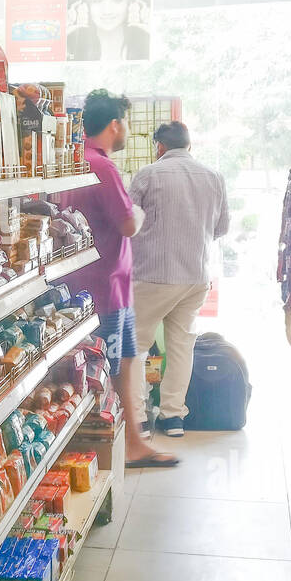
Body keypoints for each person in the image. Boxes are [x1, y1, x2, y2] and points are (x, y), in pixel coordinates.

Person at [61, 91, 178, 468]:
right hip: (105, 289)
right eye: (124, 122)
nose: (126, 128)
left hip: (93, 286)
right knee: (113, 370)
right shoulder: (103, 167)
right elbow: (128, 224)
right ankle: (112, 452)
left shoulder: (75, 162)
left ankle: (133, 443)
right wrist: (140, 213)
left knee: (123, 364)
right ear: (114, 124)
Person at [129, 121, 230, 437]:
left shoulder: (147, 175)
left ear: (159, 147)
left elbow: (128, 223)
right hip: (195, 276)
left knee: (135, 346)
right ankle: (174, 417)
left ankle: (139, 420)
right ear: (189, 146)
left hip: (153, 276)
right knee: (182, 345)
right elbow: (222, 228)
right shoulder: (214, 177)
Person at [66, 0, 150, 62]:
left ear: (130, 4)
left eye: (117, 0)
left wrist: (155, 33)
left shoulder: (148, 46)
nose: (107, 11)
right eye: (97, 1)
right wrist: (61, 36)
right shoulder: (70, 49)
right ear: (85, 6)